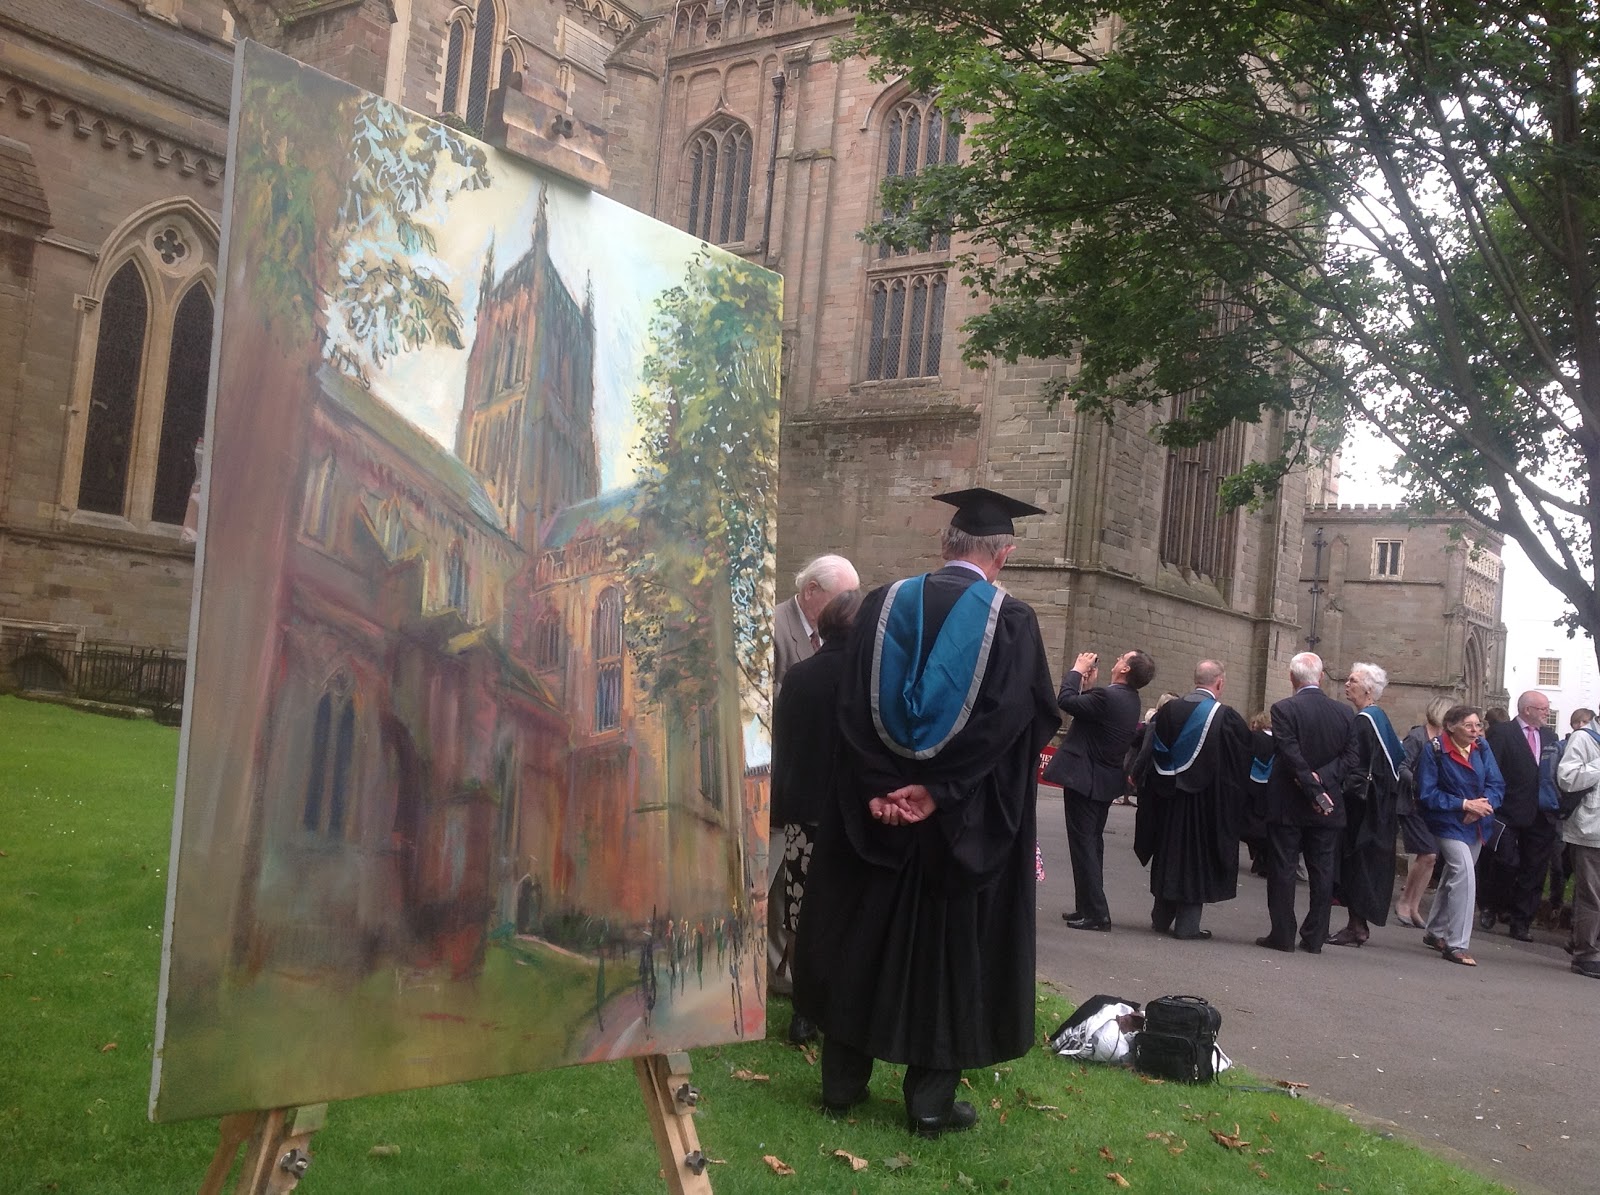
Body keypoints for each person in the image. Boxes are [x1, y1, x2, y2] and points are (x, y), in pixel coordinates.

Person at [792, 487, 1059, 1139]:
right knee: (947, 953)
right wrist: (937, 790)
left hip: (875, 819)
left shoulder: (880, 605)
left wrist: (885, 787)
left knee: (862, 940)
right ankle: (929, 1103)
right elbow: (1014, 727)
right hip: (957, 827)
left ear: (945, 545)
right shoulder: (1014, 621)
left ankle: (841, 1084)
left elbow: (848, 708)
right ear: (1006, 553)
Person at [766, 588, 862, 1043]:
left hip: (804, 815)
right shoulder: (869, 680)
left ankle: (803, 1013)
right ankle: (840, 1008)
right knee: (848, 912)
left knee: (801, 912)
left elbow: (783, 742)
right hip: (853, 819)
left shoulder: (800, 677)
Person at [1132, 660, 1251, 940]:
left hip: (1169, 799)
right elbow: (1238, 767)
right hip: (1205, 806)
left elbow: (1151, 753)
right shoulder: (1225, 717)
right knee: (1196, 859)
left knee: (1169, 854)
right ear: (1219, 683)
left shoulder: (1169, 710)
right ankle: (1188, 925)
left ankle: (1160, 918)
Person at [1044, 647, 1155, 931]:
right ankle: (1088, 906)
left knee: (1084, 846)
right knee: (1091, 844)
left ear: (1126, 669)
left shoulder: (1109, 696)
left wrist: (1077, 670)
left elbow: (1065, 700)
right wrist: (1089, 689)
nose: (1116, 660)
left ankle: (1096, 913)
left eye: (1121, 658)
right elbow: (1091, 713)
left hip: (1086, 778)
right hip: (1101, 780)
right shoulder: (1128, 698)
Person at [1256, 652, 1359, 955]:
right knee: (1322, 870)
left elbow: (1289, 753)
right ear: (1321, 677)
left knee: (1283, 868)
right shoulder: (1344, 713)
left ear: (1292, 677)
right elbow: (1351, 759)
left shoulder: (1283, 709)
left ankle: (1283, 934)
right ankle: (1315, 937)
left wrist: (1311, 783)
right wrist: (1322, 782)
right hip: (1327, 805)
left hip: (1288, 801)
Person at [1417, 705, 1504, 966]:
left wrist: (1482, 806)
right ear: (1451, 726)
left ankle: (1435, 931)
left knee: (1454, 875)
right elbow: (1427, 794)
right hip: (1447, 822)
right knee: (1465, 875)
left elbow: (1497, 784)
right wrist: (1464, 805)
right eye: (1469, 726)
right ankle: (1457, 944)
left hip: (1477, 823)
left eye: (1478, 725)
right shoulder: (1433, 750)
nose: (1476, 731)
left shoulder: (1483, 747)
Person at [1327, 663, 1403, 946]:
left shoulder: (1364, 721)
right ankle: (1357, 925)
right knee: (1365, 864)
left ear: (1368, 689)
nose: (1347, 684)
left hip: (1364, 807)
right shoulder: (1379, 717)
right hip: (1380, 804)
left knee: (1356, 863)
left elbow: (1355, 764)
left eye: (1353, 680)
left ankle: (1356, 927)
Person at [1481, 690, 1561, 941]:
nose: (1547, 713)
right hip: (1508, 810)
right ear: (1527, 710)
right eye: (1543, 709)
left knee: (1534, 869)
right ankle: (1492, 905)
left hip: (1541, 813)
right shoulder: (1503, 733)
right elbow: (1492, 769)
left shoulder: (1550, 736)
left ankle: (1521, 921)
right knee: (1506, 862)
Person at [1393, 697, 1452, 928]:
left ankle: (1413, 905)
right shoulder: (1417, 737)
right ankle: (1404, 901)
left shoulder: (1446, 740)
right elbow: (1401, 767)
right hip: (1413, 804)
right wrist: (1420, 783)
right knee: (1427, 854)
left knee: (1430, 858)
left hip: (1433, 806)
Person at [1555, 713, 1600, 980]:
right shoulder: (1584, 738)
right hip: (1590, 829)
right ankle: (1586, 953)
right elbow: (1567, 778)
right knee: (1591, 895)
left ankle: (1581, 938)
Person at [774, 554, 860, 687]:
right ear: (811, 590)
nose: (848, 610)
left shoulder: (837, 631)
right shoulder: (773, 628)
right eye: (841, 602)